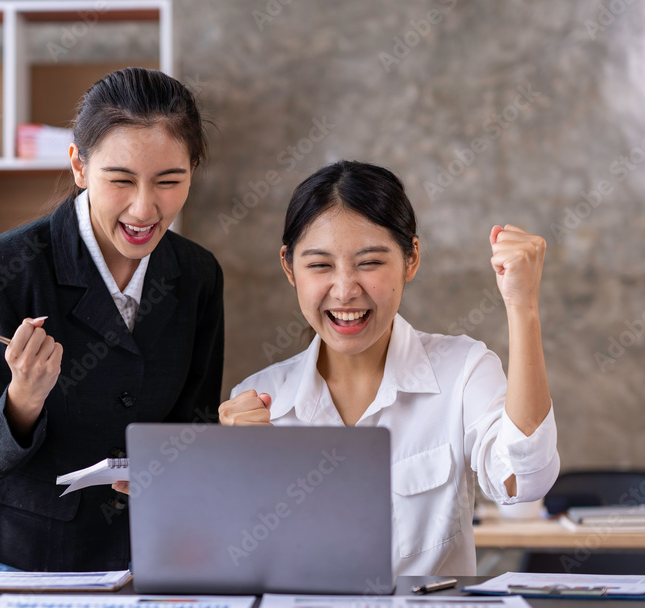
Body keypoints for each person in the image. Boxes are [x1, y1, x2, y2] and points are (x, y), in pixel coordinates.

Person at [219, 161, 559, 576]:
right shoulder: (256, 401)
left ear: (411, 259)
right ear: (289, 268)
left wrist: (522, 306)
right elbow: (232, 560)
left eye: (370, 263)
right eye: (320, 265)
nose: (345, 290)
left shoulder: (463, 371)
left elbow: (524, 481)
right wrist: (231, 473)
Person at [0, 67, 223, 572]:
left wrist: (169, 466)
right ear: (78, 165)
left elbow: (194, 422)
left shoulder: (198, 273)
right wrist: (23, 398)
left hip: (148, 549)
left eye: (169, 181)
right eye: (120, 180)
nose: (145, 208)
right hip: (20, 551)